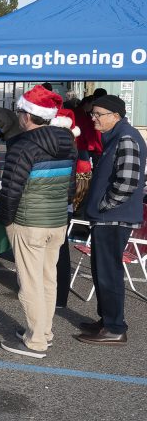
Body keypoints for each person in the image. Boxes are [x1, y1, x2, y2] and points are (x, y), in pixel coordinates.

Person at [0, 85, 77, 358]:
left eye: (21, 111)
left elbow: (11, 189)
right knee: (47, 279)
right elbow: (70, 186)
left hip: (29, 222)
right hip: (57, 221)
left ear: (27, 116)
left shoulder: (23, 145)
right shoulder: (68, 142)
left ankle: (36, 342)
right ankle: (44, 332)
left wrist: (6, 220)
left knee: (30, 284)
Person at [76, 94, 145, 346]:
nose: (93, 118)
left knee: (109, 274)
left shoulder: (126, 138)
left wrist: (104, 205)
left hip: (114, 218)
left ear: (115, 116)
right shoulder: (117, 136)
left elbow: (127, 182)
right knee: (102, 271)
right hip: (109, 217)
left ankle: (114, 327)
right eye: (92, 113)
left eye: (98, 114)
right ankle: (107, 320)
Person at [50, 107, 91, 308]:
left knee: (57, 252)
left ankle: (58, 296)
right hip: (64, 204)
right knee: (60, 249)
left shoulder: (61, 147)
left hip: (56, 204)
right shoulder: (73, 145)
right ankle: (59, 297)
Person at [76, 96, 103, 169]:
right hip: (81, 143)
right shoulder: (79, 112)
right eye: (92, 105)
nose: (92, 107)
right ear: (86, 103)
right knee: (84, 166)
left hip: (85, 143)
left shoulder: (86, 113)